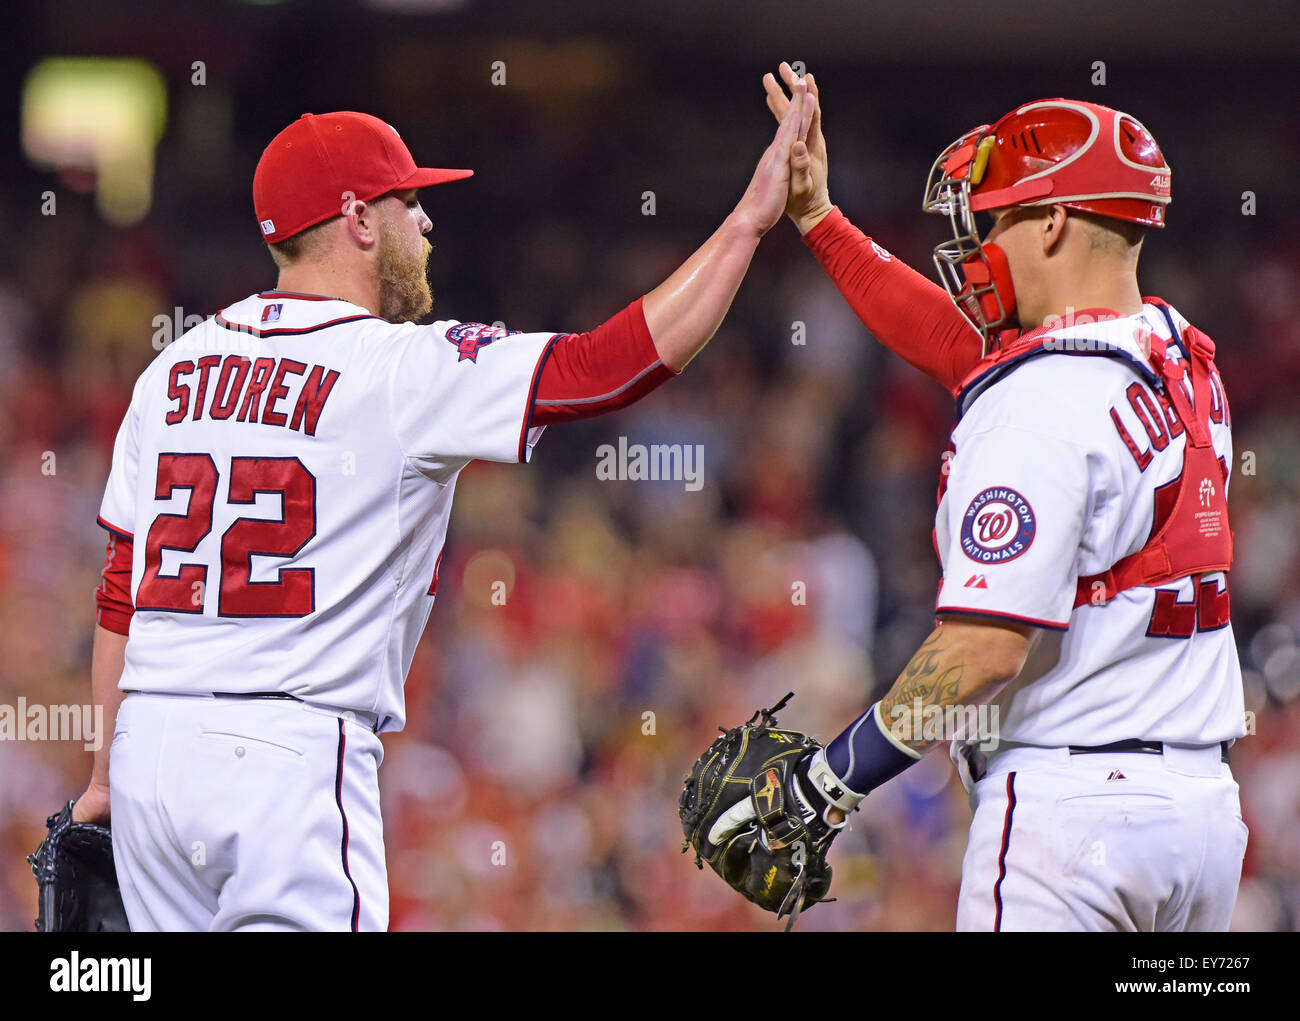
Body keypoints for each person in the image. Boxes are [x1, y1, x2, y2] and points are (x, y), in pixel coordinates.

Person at [72, 90, 814, 931]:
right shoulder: (398, 366)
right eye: (409, 201)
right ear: (356, 218)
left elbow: (119, 590)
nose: (425, 224)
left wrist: (105, 772)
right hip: (287, 759)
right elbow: (615, 365)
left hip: (150, 753)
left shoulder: (175, 367)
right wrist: (749, 223)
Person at [762, 65, 1247, 930]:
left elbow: (984, 649)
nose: (974, 243)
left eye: (993, 220)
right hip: (1200, 816)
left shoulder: (1037, 402)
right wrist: (819, 220)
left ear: (1053, 220)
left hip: (1072, 819)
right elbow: (961, 347)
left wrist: (829, 779)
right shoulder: (1174, 350)